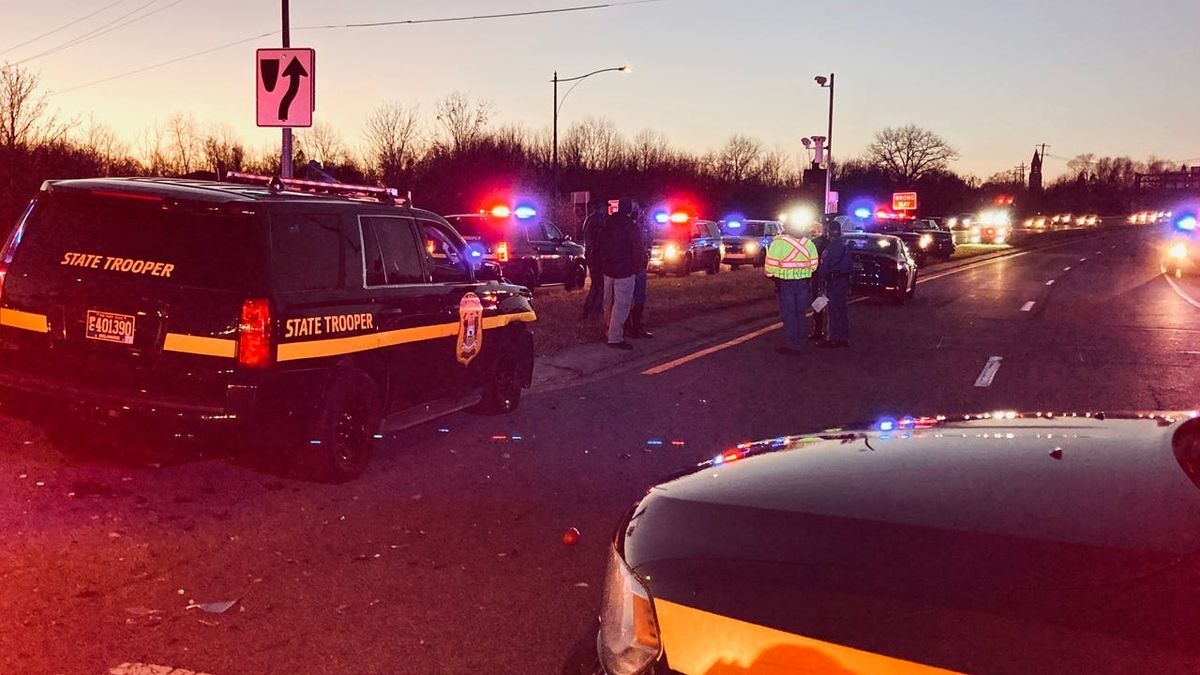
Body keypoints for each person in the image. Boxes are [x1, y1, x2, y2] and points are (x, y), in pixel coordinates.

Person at [763, 216, 820, 355]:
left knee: (789, 314)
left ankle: (793, 345)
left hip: (785, 285)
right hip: (803, 284)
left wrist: (772, 276)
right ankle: (800, 340)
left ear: (786, 228)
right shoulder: (809, 244)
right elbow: (814, 266)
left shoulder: (778, 244)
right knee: (800, 313)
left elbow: (770, 268)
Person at [596, 199, 644, 350]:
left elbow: (599, 244)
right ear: (629, 209)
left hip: (608, 268)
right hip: (624, 269)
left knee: (608, 301)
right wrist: (637, 267)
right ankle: (615, 337)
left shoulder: (607, 222)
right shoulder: (630, 226)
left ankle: (609, 329)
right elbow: (637, 248)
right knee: (622, 303)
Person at [818, 219, 852, 348]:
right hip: (843, 282)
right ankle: (844, 337)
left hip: (832, 282)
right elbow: (849, 266)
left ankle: (831, 338)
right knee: (842, 310)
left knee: (832, 311)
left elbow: (824, 267)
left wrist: (821, 282)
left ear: (829, 232)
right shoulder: (844, 247)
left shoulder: (830, 248)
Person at [624, 205, 654, 338]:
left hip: (634, 265)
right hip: (634, 266)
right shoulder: (632, 227)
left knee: (636, 298)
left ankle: (633, 325)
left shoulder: (637, 226)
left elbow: (647, 243)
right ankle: (632, 327)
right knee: (634, 297)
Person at [580, 200, 607, 320]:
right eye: (605, 207)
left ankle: (589, 311)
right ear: (600, 207)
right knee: (599, 285)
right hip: (597, 256)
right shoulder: (599, 220)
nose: (606, 210)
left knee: (596, 284)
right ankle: (593, 311)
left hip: (591, 256)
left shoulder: (589, 219)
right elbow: (600, 239)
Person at [808, 219, 829, 341]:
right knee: (819, 305)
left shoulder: (833, 243)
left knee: (822, 305)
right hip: (820, 278)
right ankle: (819, 330)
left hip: (824, 279)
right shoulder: (816, 242)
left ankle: (822, 331)